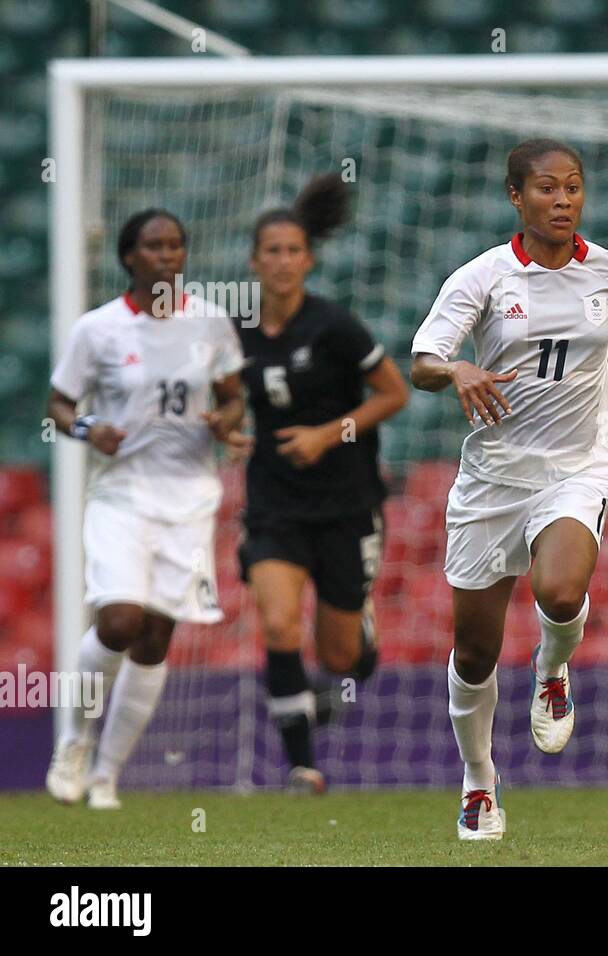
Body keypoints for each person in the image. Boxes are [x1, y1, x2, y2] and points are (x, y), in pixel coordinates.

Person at [410, 138, 608, 840]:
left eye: (573, 188)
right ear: (515, 197)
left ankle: (553, 670)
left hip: (577, 468)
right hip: (493, 481)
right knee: (475, 654)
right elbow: (424, 358)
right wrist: (455, 371)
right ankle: (479, 781)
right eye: (546, 189)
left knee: (559, 591)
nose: (562, 200)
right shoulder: (483, 278)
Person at [45, 209, 244, 809]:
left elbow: (234, 399)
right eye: (154, 247)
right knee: (119, 621)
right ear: (129, 257)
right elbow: (57, 403)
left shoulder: (209, 321)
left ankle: (107, 774)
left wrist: (225, 423)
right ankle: (74, 741)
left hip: (188, 498)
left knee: (157, 636)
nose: (167, 256)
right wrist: (86, 428)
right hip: (122, 494)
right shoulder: (98, 330)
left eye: (176, 246)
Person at [232, 174, 409, 794]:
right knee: (278, 626)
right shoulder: (235, 332)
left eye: (293, 250)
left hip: (346, 502)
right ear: (254, 261)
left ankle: (359, 627)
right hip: (275, 504)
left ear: (308, 259)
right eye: (271, 251)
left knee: (340, 659)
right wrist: (224, 425)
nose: (282, 261)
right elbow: (231, 402)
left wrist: (326, 435)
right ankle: (302, 767)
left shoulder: (334, 325)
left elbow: (394, 392)